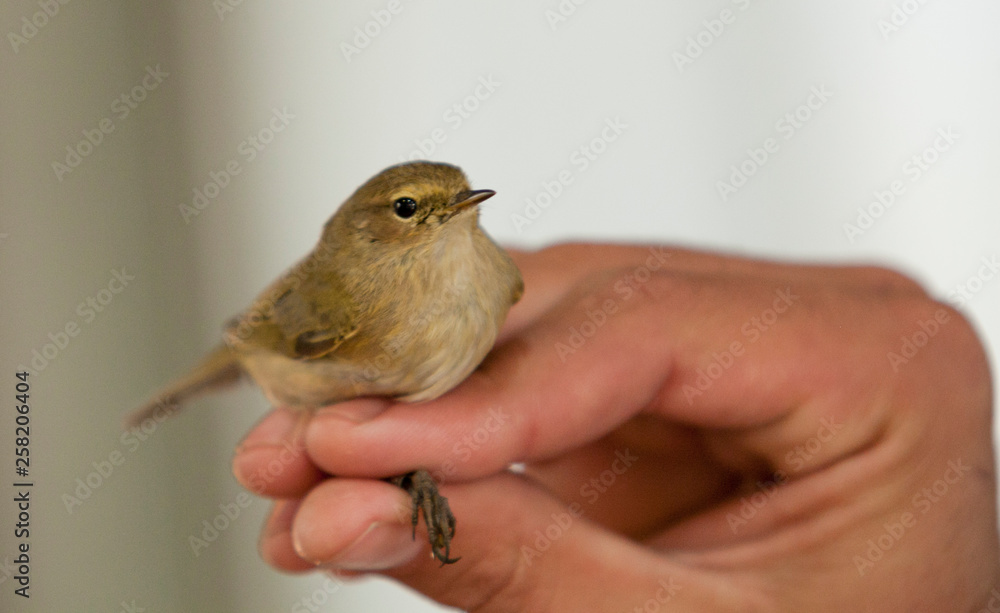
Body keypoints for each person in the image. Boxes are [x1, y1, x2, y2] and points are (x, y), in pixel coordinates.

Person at [231, 243, 999, 612]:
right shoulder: (354, 301)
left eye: (459, 199)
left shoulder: (491, 278)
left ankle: (411, 469)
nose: (452, 216)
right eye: (411, 212)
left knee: (386, 446)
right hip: (334, 393)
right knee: (358, 448)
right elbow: (269, 332)